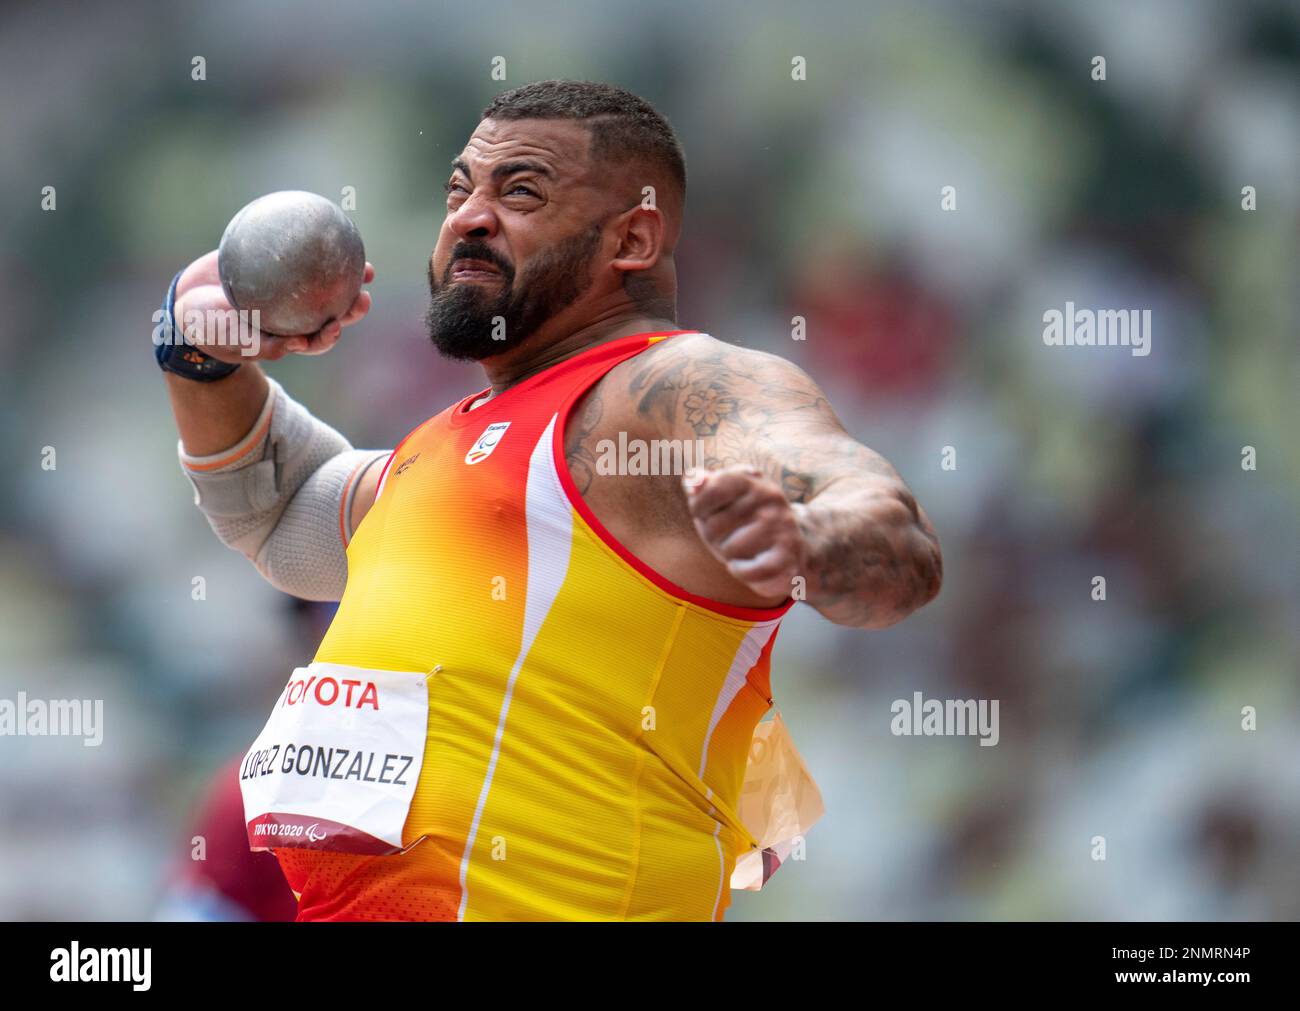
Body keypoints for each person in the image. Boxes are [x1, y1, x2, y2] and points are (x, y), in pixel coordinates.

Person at [156, 80, 942, 921]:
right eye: (460, 190)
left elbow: (891, 535)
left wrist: (809, 539)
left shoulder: (666, 387)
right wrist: (202, 361)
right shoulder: (449, 444)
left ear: (632, 237)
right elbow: (280, 512)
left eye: (519, 191)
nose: (470, 216)